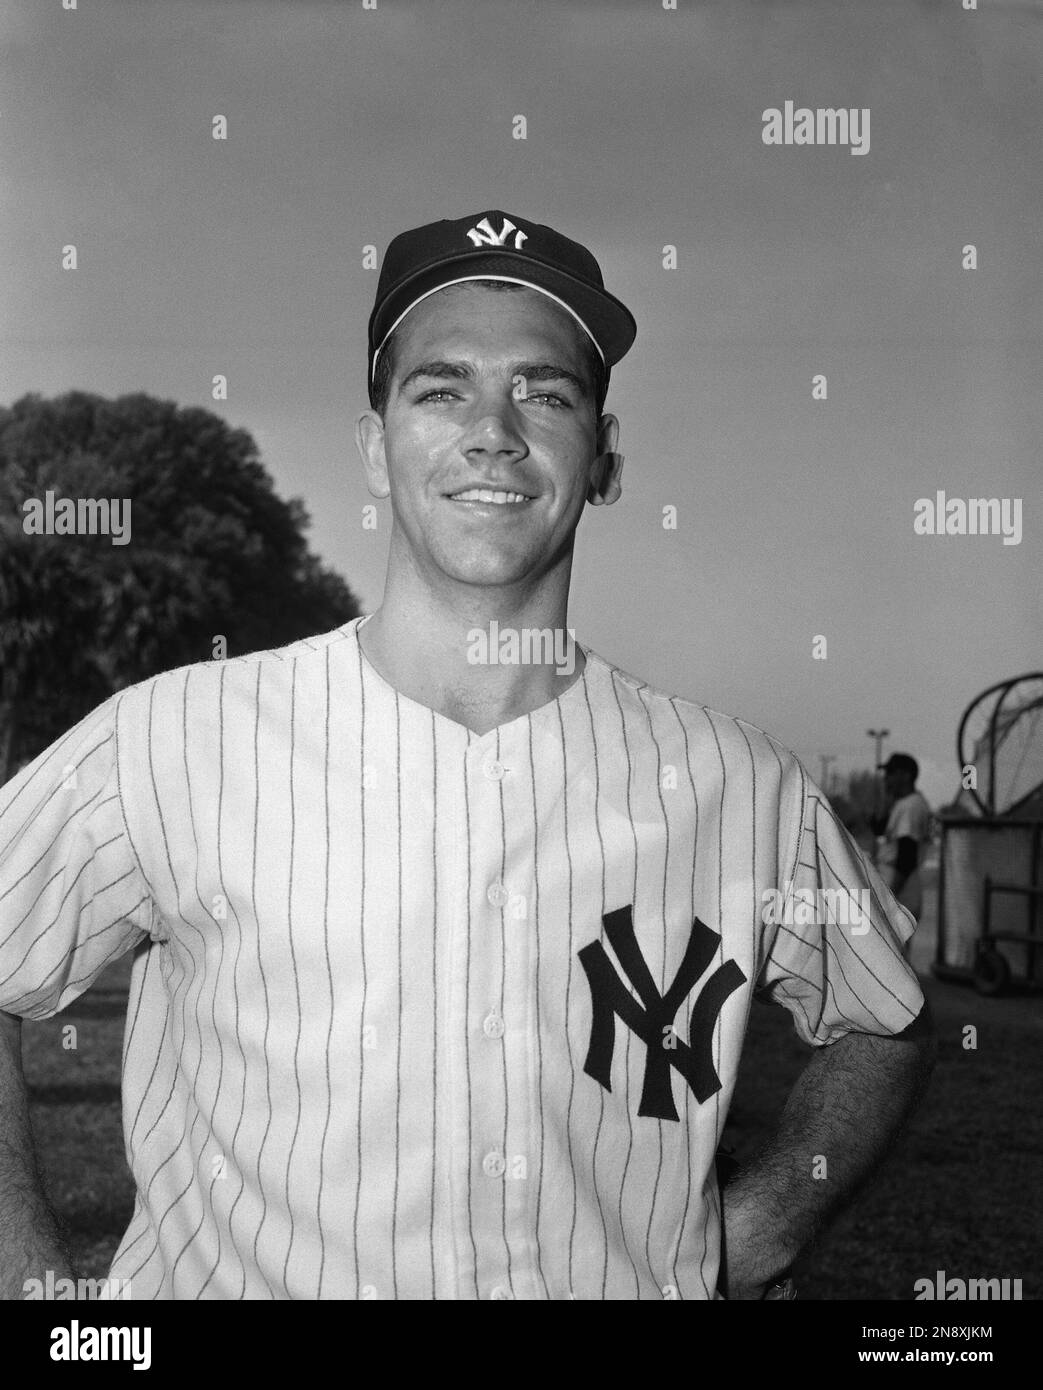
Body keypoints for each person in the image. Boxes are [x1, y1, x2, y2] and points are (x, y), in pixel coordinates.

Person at [0, 210, 934, 1301]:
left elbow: (886, 1014)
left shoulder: (743, 787)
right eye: (440, 389)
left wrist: (769, 1220)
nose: (493, 429)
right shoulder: (170, 741)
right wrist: (35, 1289)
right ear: (373, 446)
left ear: (605, 459)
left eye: (545, 392)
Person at [873, 753, 933, 923]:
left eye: (891, 773)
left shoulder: (911, 806)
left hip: (901, 891)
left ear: (906, 776)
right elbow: (878, 828)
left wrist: (888, 900)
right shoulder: (903, 803)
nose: (886, 778)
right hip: (901, 890)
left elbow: (906, 857)